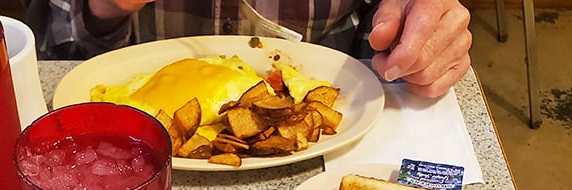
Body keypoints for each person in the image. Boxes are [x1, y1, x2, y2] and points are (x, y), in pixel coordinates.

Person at [25, 0, 472, 98]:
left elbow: (404, 16)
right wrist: (101, 9)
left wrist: (420, 27)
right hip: (125, 163)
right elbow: (48, 58)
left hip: (324, 162)